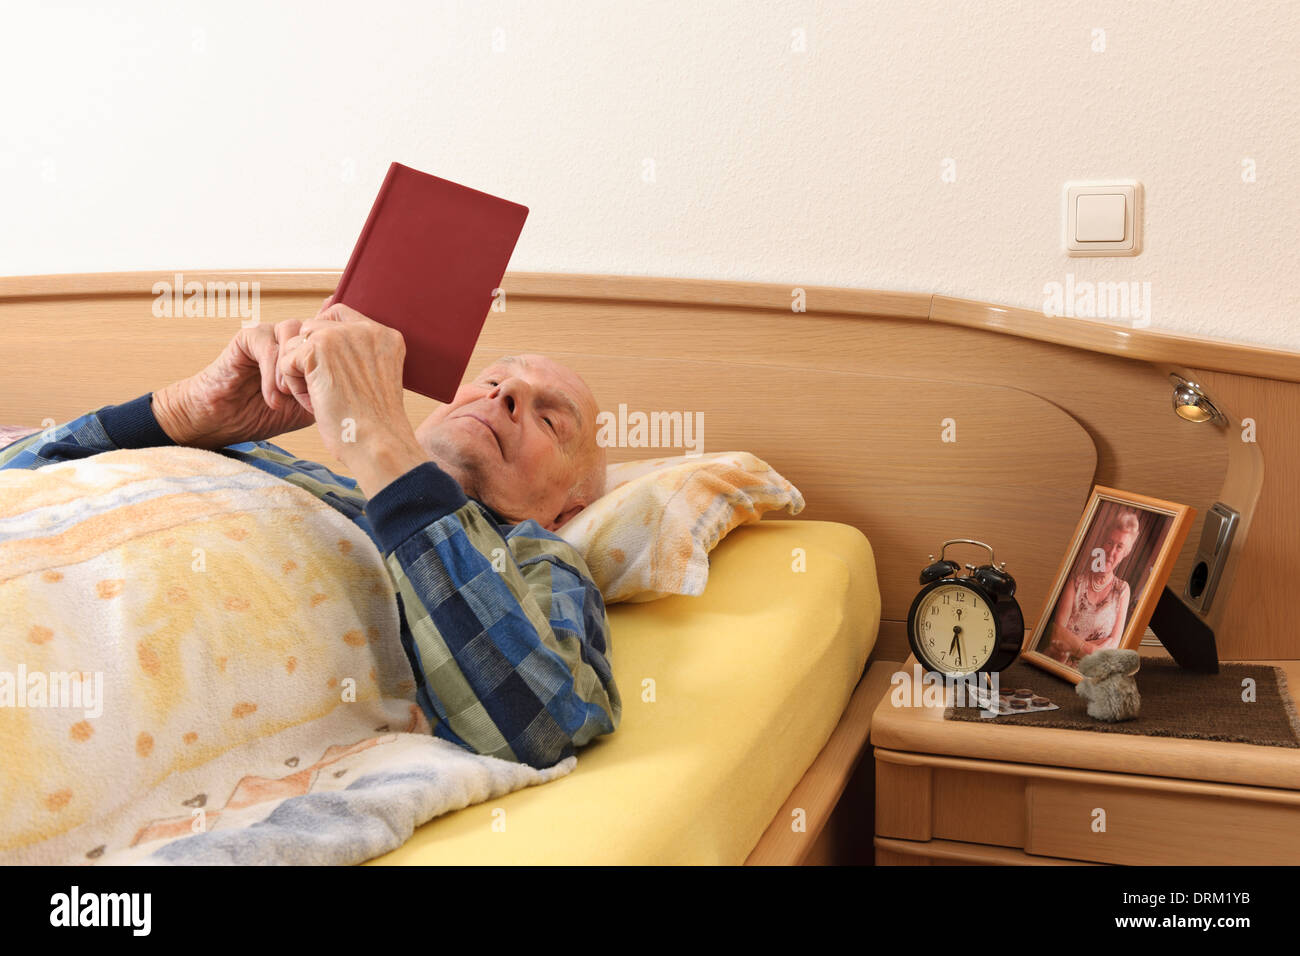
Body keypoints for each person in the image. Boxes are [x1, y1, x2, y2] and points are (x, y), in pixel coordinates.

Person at [0, 299, 620, 768]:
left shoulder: (537, 557)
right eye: (490, 380)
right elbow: (20, 469)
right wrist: (184, 410)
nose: (506, 391)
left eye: (550, 418)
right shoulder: (273, 462)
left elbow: (541, 724)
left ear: (566, 510)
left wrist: (381, 441)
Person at [1043, 509, 1141, 667]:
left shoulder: (1122, 590)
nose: (1111, 552)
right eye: (1109, 542)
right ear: (1102, 543)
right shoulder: (1076, 582)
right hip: (1058, 663)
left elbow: (1114, 646)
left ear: (1126, 552)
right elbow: (1057, 636)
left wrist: (1072, 643)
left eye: (1119, 547)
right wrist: (1094, 650)